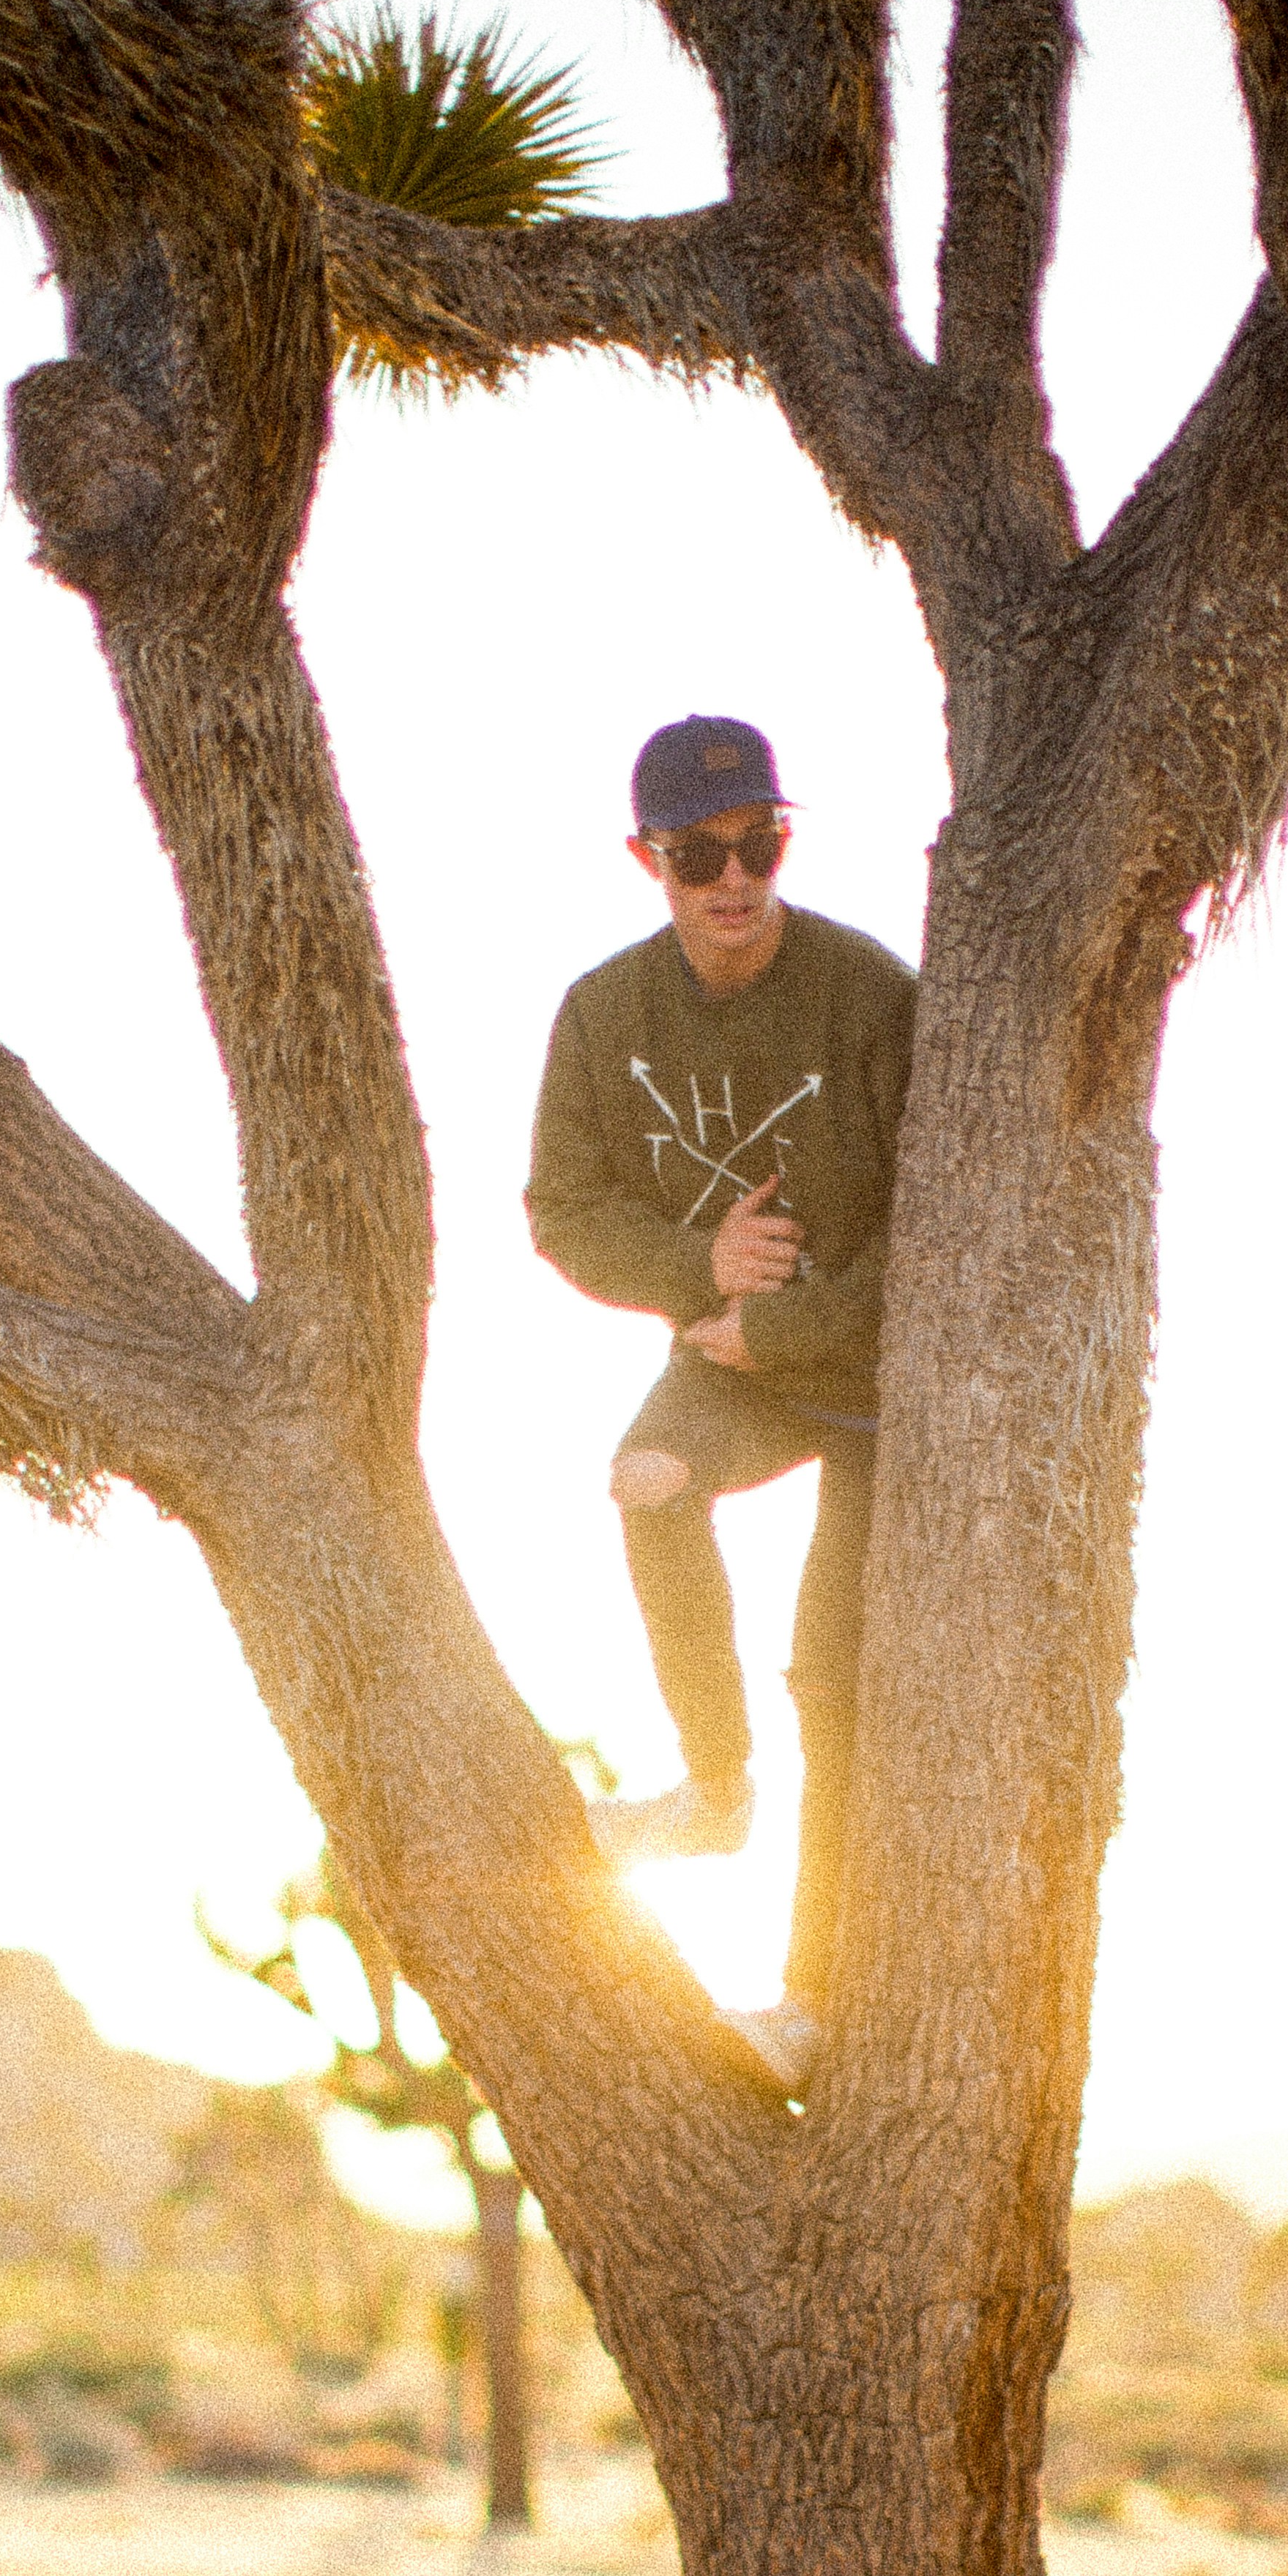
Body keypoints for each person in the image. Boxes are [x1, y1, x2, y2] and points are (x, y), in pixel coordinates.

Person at [526, 715, 916, 2092]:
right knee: (645, 1478)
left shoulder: (869, 993)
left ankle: (808, 2001)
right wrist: (701, 1270)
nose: (735, 877)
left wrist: (788, 1319)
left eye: (759, 843)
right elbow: (560, 1210)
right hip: (727, 1362)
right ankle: (713, 1791)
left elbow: (949, 1215)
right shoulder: (604, 1013)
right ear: (650, 860)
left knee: (838, 1681)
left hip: (876, 1379)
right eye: (700, 855)